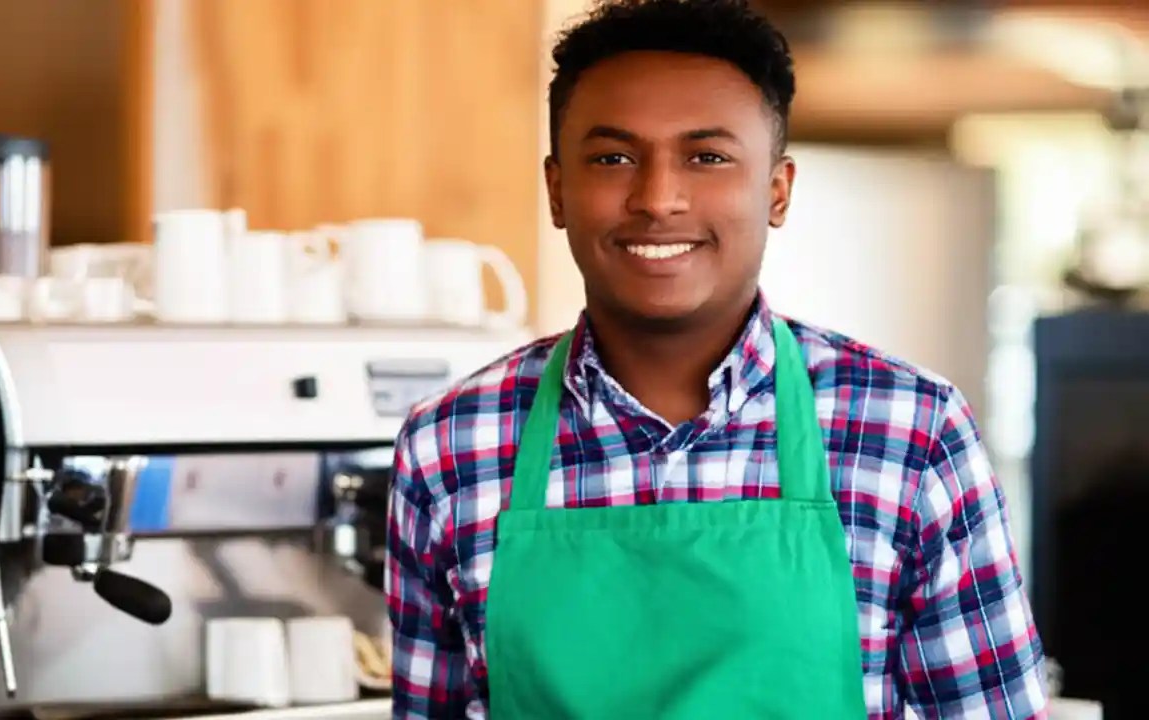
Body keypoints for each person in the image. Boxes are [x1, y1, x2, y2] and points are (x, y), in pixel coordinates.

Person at [385, 0, 1049, 717]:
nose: (658, 198)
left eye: (707, 157)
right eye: (613, 158)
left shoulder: (912, 432)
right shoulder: (449, 445)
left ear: (777, 189)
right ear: (556, 190)